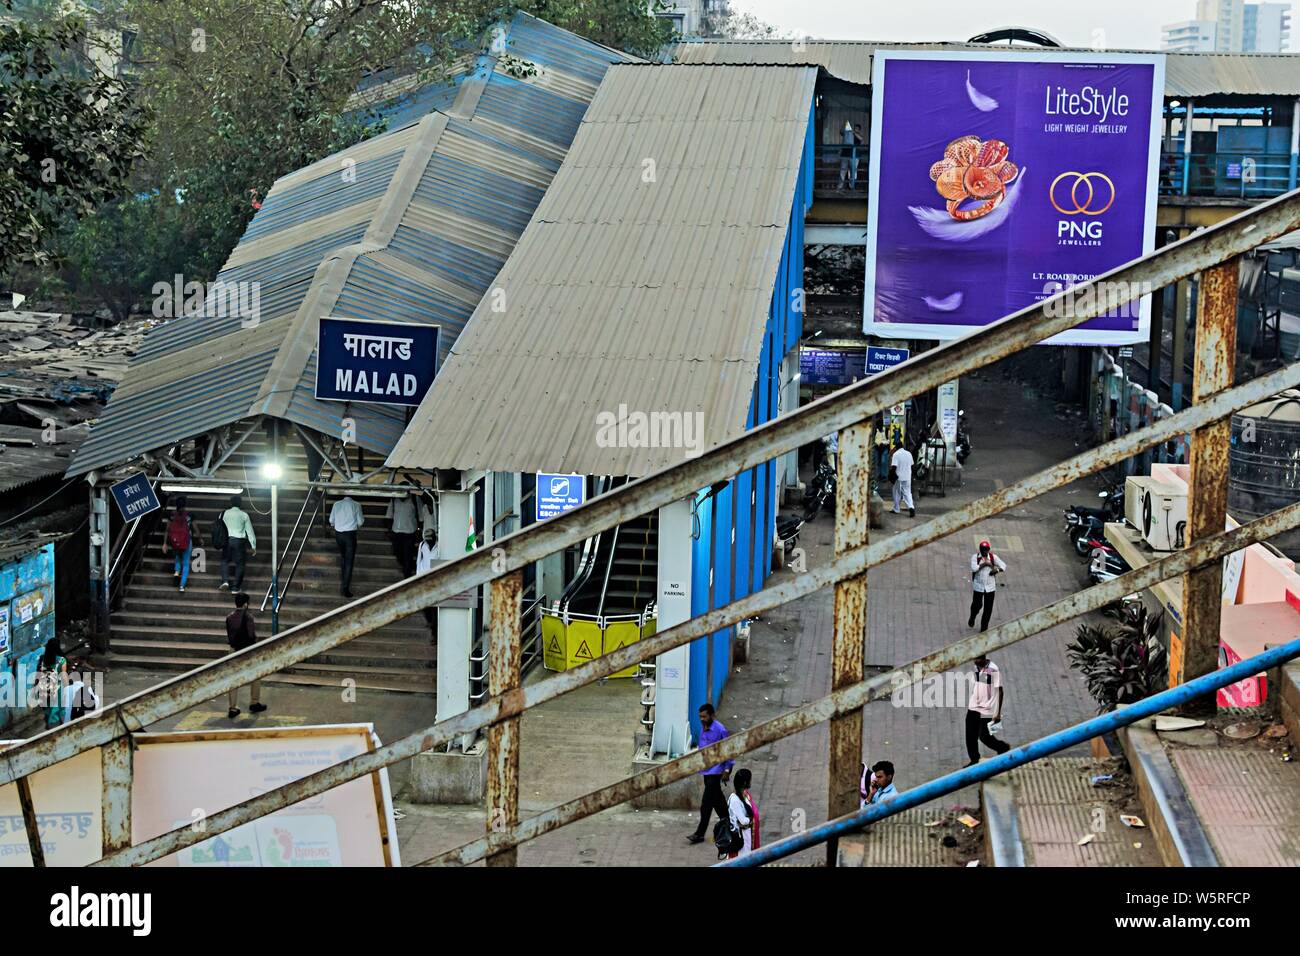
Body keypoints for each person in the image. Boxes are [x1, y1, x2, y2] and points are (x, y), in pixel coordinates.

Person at [687, 703, 734, 845]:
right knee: (718, 801)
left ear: (711, 716)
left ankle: (700, 833)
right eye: (700, 716)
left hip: (716, 770)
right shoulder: (704, 728)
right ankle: (730, 826)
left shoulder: (720, 730)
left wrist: (727, 770)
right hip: (706, 770)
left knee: (706, 804)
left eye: (704, 716)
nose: (701, 719)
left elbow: (728, 750)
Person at [226, 592, 266, 719]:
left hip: (233, 651)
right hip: (247, 651)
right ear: (245, 604)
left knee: (233, 680)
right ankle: (254, 702)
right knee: (256, 675)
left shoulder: (229, 617)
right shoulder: (248, 617)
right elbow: (251, 636)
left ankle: (232, 707)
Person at [966, 654, 1011, 766]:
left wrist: (997, 713)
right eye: (974, 659)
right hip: (974, 705)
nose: (976, 661)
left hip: (988, 708)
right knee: (970, 734)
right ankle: (974, 760)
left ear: (984, 658)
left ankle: (1002, 747)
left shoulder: (993, 669)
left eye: (978, 659)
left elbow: (1000, 691)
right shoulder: (976, 667)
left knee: (984, 736)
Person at [162, 496, 201, 593]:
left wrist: (165, 543)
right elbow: (195, 528)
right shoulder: (190, 515)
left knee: (178, 557)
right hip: (187, 541)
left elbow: (167, 530)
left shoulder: (171, 515)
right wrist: (200, 538)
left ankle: (176, 571)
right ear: (185, 504)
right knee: (186, 563)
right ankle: (182, 586)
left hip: (175, 541)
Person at [329, 494, 365, 598]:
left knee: (344, 557)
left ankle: (344, 575)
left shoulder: (336, 504)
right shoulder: (356, 505)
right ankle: (345, 587)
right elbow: (360, 521)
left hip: (338, 534)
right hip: (350, 535)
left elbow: (331, 520)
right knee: (349, 561)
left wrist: (337, 525)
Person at [219, 495, 256, 592]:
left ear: (231, 503)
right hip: (239, 541)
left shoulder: (223, 514)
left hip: (226, 540)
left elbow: (218, 527)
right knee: (240, 564)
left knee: (224, 561)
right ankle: (235, 587)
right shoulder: (244, 515)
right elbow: (250, 531)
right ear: (240, 503)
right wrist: (253, 545)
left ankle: (225, 581)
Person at [968, 540, 1007, 632]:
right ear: (980, 550)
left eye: (986, 550)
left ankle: (984, 628)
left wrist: (996, 570)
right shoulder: (975, 557)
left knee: (988, 609)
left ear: (989, 549)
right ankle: (972, 617)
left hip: (990, 587)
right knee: (977, 605)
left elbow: (1003, 565)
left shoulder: (993, 557)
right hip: (978, 586)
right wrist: (985, 564)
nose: (984, 552)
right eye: (982, 550)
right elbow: (974, 568)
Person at [725, 768, 760, 860]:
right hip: (740, 838)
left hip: (746, 835)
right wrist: (750, 820)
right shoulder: (735, 800)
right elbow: (743, 821)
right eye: (750, 780)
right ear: (745, 783)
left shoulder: (745, 795)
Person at [36, 638, 68, 728]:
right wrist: (67, 687)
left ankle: (49, 723)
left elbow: (38, 674)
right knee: (57, 709)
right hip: (56, 689)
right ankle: (54, 727)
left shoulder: (42, 659)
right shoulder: (61, 660)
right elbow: (64, 676)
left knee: (47, 708)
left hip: (44, 688)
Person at [386, 490, 418, 578]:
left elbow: (421, 515)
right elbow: (389, 515)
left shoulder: (415, 499)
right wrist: (389, 530)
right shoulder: (394, 499)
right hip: (396, 532)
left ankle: (407, 576)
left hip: (410, 532)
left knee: (408, 555)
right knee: (397, 553)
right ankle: (409, 567)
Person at [416, 527, 441, 640]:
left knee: (434, 607)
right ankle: (430, 622)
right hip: (424, 578)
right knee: (425, 605)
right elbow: (419, 561)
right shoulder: (422, 545)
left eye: (430, 539)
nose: (428, 541)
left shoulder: (440, 545)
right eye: (427, 539)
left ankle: (434, 633)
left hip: (436, 579)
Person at [890, 442, 915, 517]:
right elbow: (912, 465)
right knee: (907, 492)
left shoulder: (896, 454)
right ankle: (911, 507)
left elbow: (894, 467)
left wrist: (891, 476)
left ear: (896, 447)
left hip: (899, 476)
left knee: (896, 492)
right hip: (907, 476)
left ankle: (896, 509)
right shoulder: (909, 454)